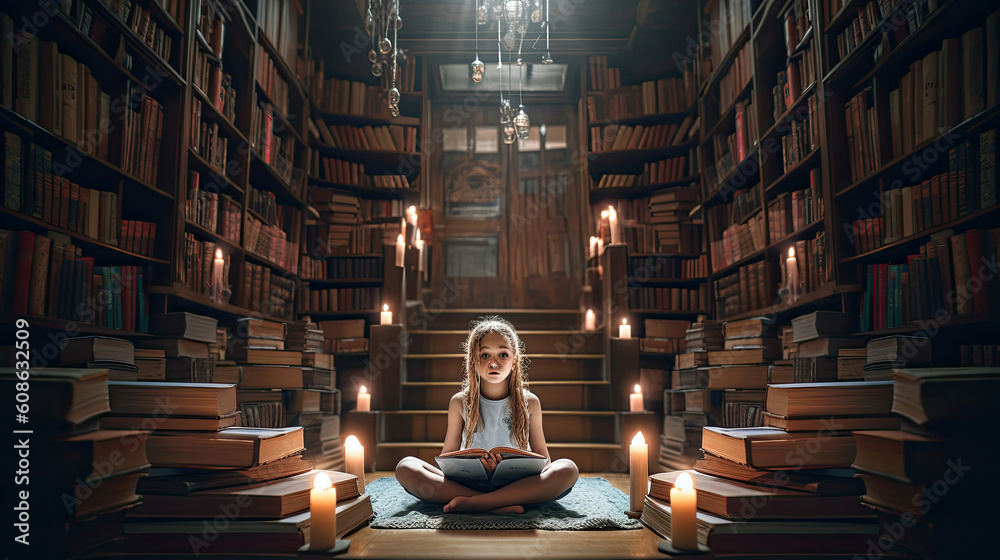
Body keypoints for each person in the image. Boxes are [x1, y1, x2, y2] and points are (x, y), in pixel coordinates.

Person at [395, 315, 579, 514]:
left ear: (515, 359)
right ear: (473, 359)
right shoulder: (459, 401)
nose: (493, 363)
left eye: (502, 355)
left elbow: (545, 462)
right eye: (485, 355)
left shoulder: (531, 402)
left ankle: (477, 504)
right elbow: (446, 462)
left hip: (518, 485)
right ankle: (494, 504)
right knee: (406, 468)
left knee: (567, 469)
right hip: (470, 483)